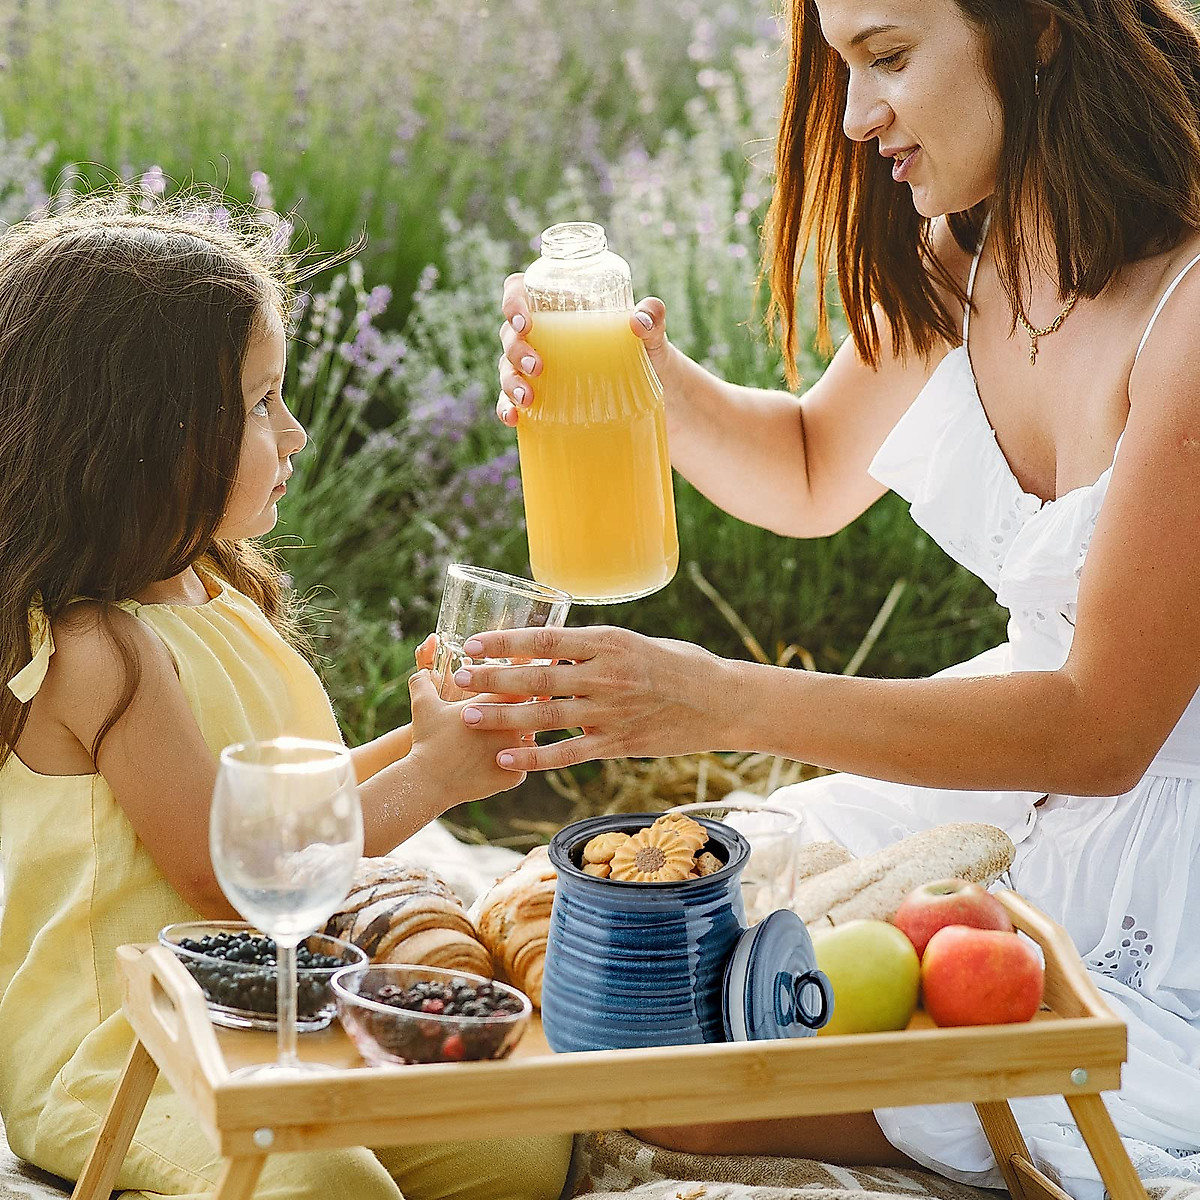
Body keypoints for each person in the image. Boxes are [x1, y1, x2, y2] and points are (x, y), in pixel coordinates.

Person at [476, 0, 1200, 1195]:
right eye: (843, 68)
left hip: (1159, 846)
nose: (858, 118)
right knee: (587, 923)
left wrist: (719, 699)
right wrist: (638, 380)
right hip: (1023, 768)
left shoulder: (1186, 316)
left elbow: (1105, 730)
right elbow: (811, 468)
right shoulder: (969, 257)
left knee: (693, 1091)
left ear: (1042, 30)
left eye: (891, 59)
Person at [0, 195, 572, 1200]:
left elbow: (279, 810)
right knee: (324, 1185)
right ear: (143, 437)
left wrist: (430, 738)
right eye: (261, 404)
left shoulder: (215, 590)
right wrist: (434, 780)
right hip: (125, 1050)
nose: (296, 432)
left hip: (260, 1010)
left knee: (516, 1151)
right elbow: (237, 876)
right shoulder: (101, 650)